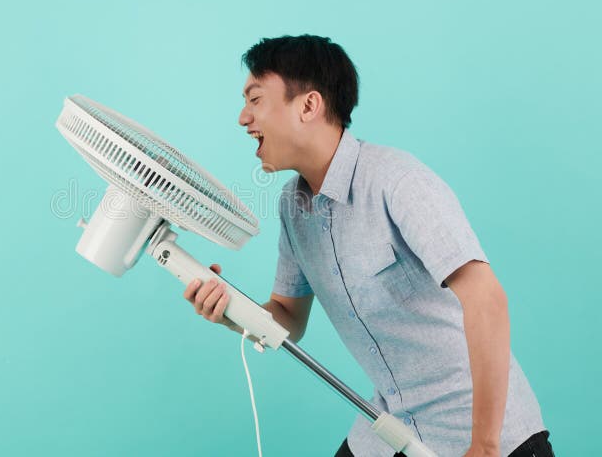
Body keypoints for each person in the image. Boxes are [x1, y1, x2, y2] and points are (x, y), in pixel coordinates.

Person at [183, 35, 553, 457]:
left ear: (308, 105)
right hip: (392, 423)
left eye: (255, 99)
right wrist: (231, 310)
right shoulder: (292, 206)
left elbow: (486, 298)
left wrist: (484, 447)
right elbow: (288, 317)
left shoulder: (397, 181)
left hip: (485, 434)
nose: (243, 118)